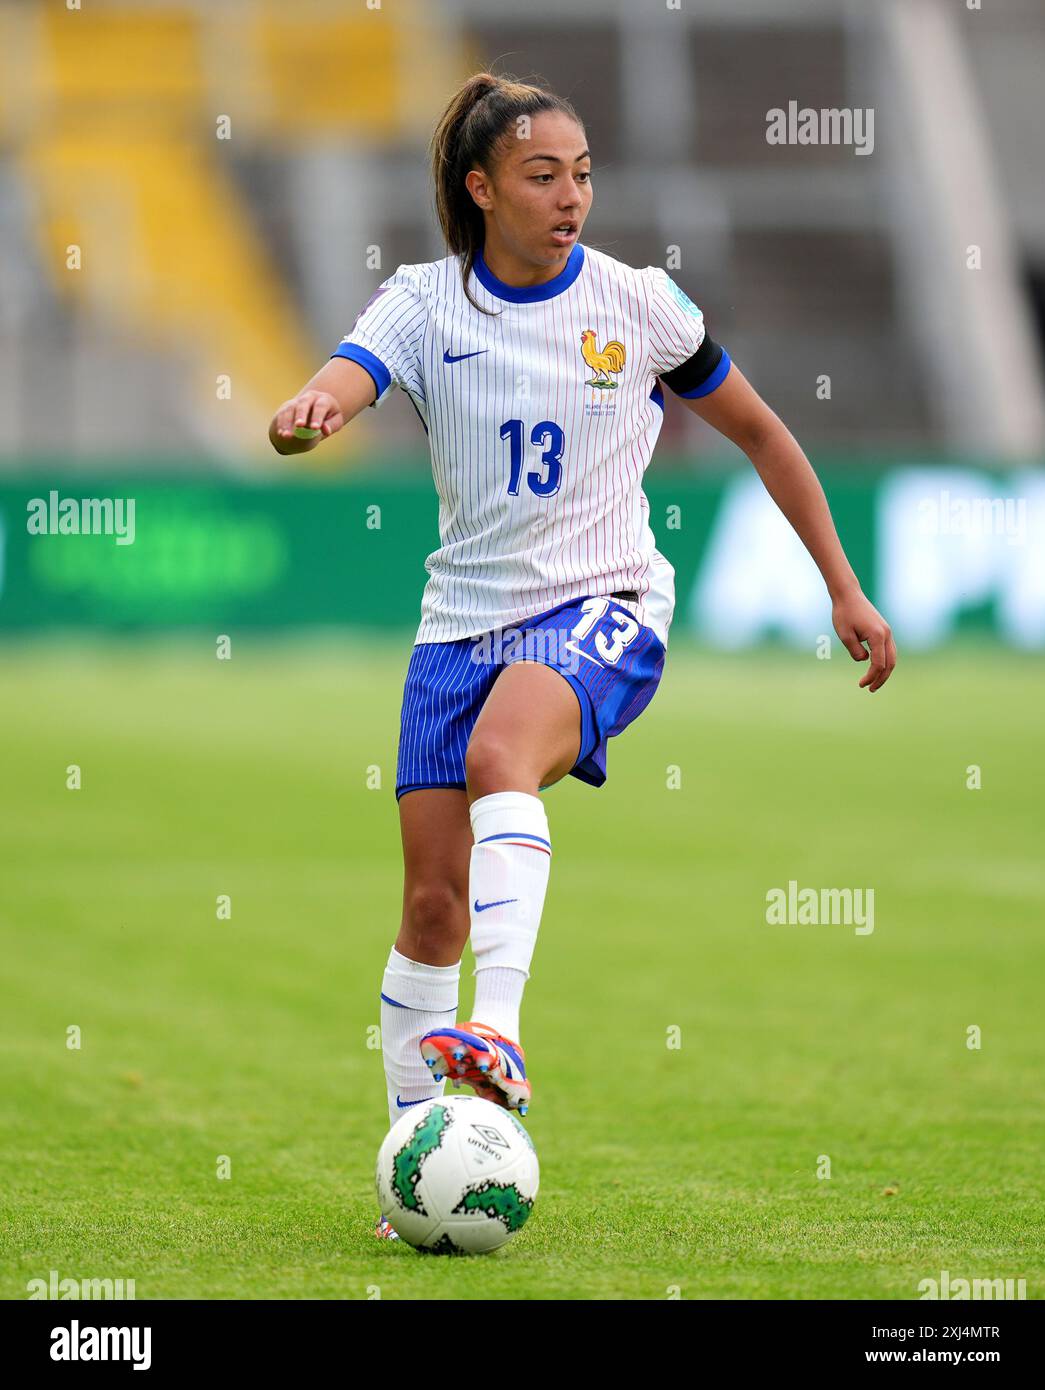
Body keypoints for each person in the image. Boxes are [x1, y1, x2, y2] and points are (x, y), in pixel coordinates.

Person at [269, 71, 897, 1240]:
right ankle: (418, 1150)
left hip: (604, 603)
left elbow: (761, 429)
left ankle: (496, 1032)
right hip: (459, 623)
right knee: (427, 903)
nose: (572, 197)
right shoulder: (422, 303)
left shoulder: (638, 302)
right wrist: (314, 407)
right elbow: (344, 375)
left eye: (584, 173)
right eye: (543, 176)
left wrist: (845, 587)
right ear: (481, 188)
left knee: (505, 756)